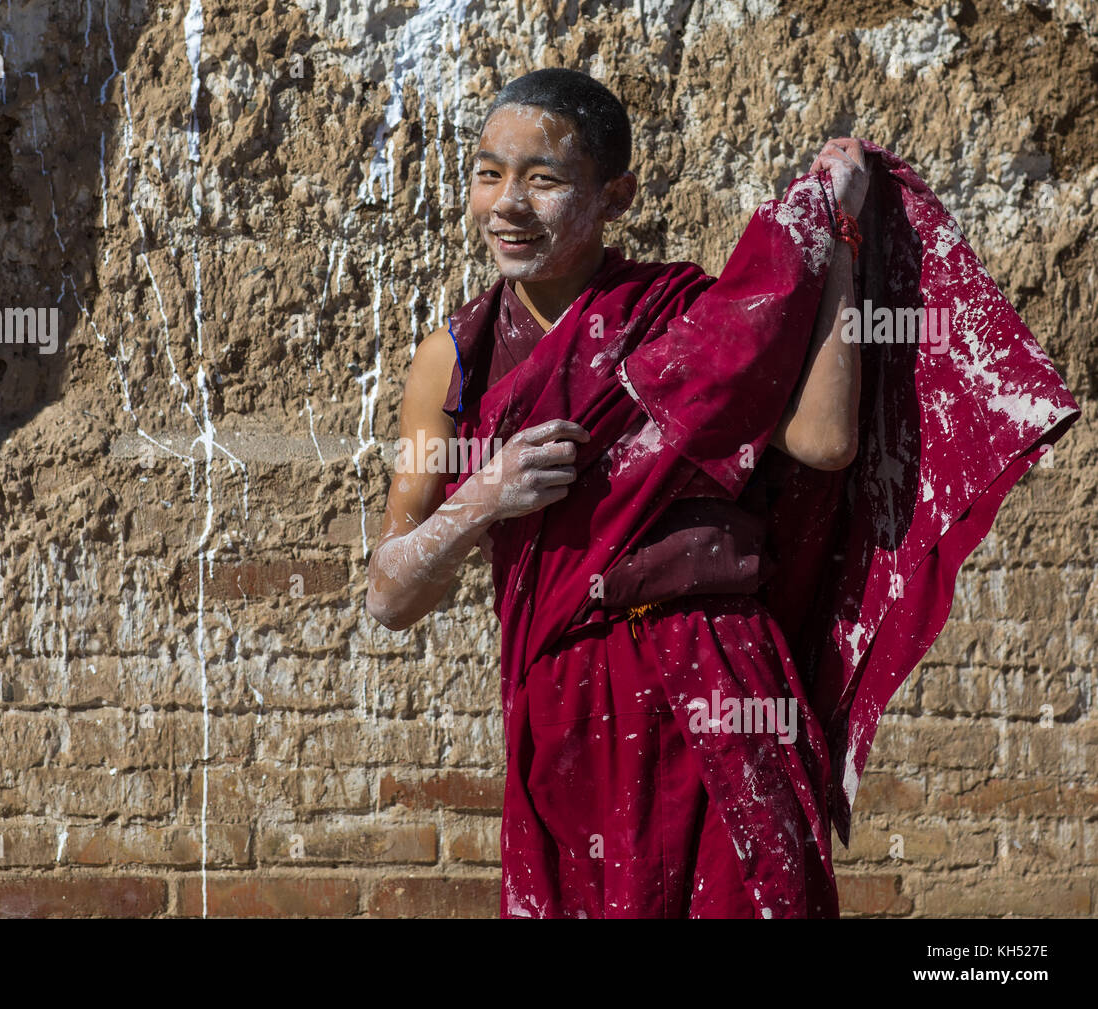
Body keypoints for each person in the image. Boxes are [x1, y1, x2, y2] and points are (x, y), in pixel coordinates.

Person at [365, 68, 1078, 918]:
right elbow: (388, 591)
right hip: (570, 709)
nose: (507, 204)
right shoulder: (455, 360)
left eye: (543, 179)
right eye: (488, 174)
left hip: (719, 684)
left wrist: (835, 241)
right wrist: (485, 495)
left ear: (614, 195)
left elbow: (823, 440)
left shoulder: (683, 316)